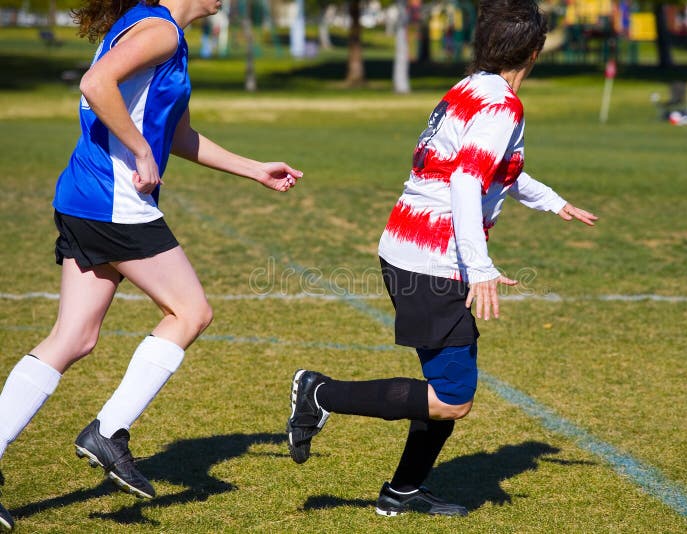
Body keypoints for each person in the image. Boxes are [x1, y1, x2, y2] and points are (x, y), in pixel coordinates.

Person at [286, 0, 597, 518]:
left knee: (448, 386)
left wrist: (552, 201)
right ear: (534, 52)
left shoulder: (469, 88)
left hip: (408, 248)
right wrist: (480, 267)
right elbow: (466, 179)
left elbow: (494, 169)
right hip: (431, 260)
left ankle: (403, 490)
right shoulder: (501, 104)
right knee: (453, 397)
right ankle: (321, 394)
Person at [0, 0, 302, 529]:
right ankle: (109, 430)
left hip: (85, 198)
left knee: (73, 338)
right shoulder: (160, 31)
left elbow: (178, 135)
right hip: (114, 202)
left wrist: (254, 169)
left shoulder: (157, 31)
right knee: (191, 312)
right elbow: (96, 84)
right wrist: (140, 152)